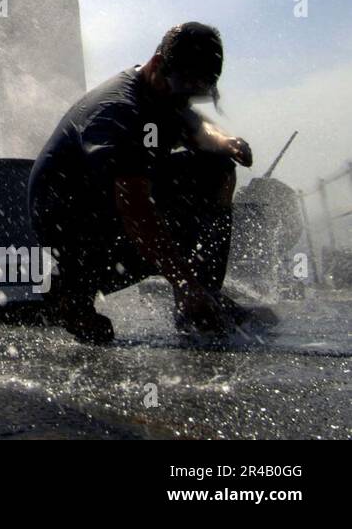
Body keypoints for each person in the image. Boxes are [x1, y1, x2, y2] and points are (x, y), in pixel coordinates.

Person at [29, 23, 268, 344]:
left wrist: (229, 141)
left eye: (196, 95)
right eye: (183, 90)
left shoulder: (165, 92)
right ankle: (72, 293)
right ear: (157, 64)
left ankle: (205, 298)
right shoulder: (118, 111)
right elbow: (137, 210)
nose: (186, 101)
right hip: (70, 219)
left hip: (115, 204)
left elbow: (198, 128)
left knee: (218, 167)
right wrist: (182, 282)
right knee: (149, 224)